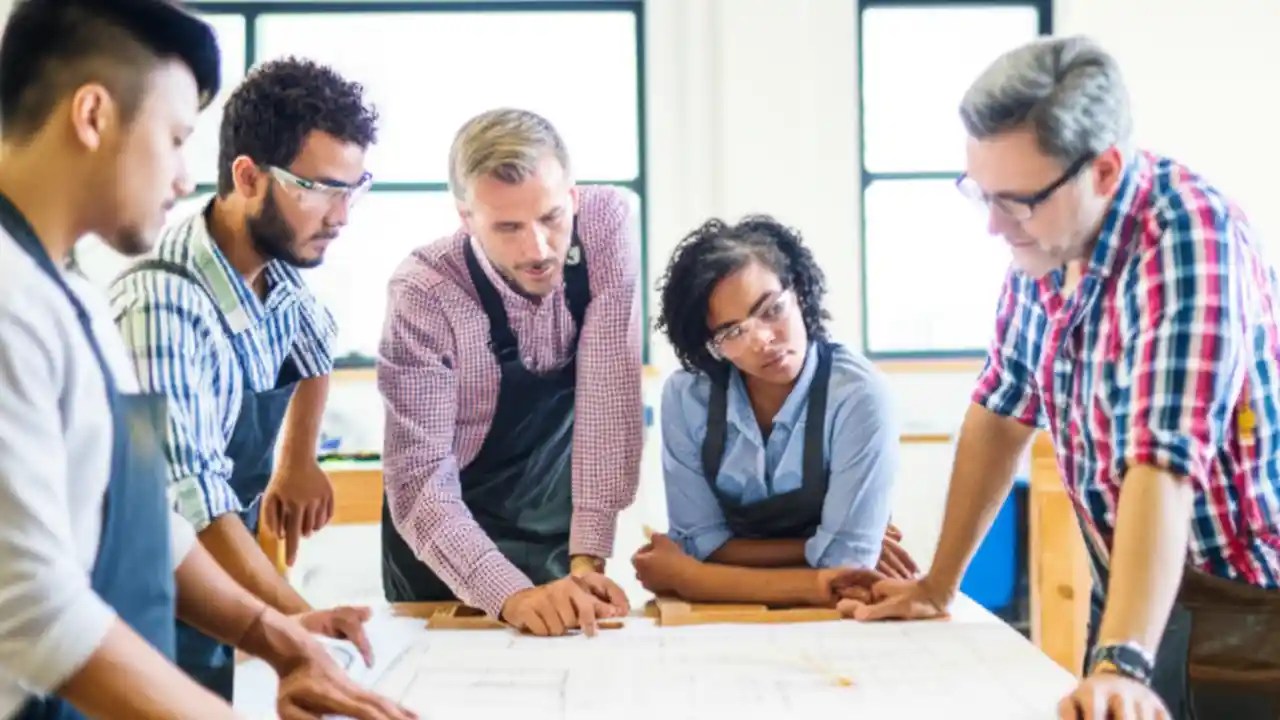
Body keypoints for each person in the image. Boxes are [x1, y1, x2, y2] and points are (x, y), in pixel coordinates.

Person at [838, 35, 1280, 720]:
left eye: (1015, 201)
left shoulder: (1191, 240)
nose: (993, 225)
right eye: (981, 195)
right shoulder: (1046, 242)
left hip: (1246, 612)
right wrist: (938, 585)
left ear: (1103, 171)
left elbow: (1161, 466)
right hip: (1132, 583)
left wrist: (1122, 661)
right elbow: (1001, 408)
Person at [0, 1, 414, 719]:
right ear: (93, 116)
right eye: (174, 139)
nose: (185, 179)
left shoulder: (71, 297)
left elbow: (149, 515)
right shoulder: (17, 303)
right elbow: (34, 610)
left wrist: (286, 643)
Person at [109, 56, 382, 700]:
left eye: (354, 189)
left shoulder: (276, 270)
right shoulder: (163, 305)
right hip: (149, 619)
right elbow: (195, 504)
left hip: (227, 599)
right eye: (319, 189)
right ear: (248, 177)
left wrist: (298, 461)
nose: (341, 216)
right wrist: (299, 625)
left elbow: (316, 342)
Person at [377, 108, 641, 636]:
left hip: (554, 534)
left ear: (572, 197)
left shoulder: (604, 225)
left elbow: (609, 394)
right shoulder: (424, 294)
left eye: (551, 218)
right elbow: (420, 481)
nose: (537, 249)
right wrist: (511, 595)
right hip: (445, 548)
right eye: (508, 228)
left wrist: (587, 560)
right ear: (466, 218)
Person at [632, 216, 915, 606]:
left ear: (799, 291)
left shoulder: (858, 395)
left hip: (842, 619)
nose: (763, 340)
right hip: (715, 620)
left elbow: (846, 567)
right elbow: (700, 543)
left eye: (771, 309)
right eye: (732, 332)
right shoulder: (687, 397)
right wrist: (821, 548)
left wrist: (689, 578)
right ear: (709, 345)